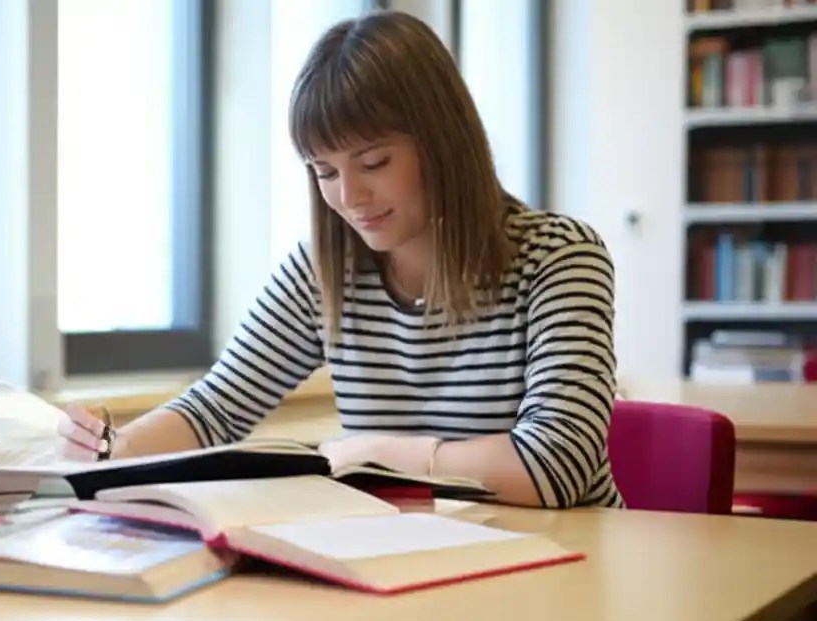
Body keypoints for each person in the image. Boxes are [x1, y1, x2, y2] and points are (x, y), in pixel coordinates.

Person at [57, 10, 623, 509]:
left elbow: (556, 466)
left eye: (373, 162)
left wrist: (379, 454)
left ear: (442, 143)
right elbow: (215, 409)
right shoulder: (323, 271)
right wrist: (114, 448)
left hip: (571, 563)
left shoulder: (559, 259)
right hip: (418, 557)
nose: (349, 198)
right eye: (324, 172)